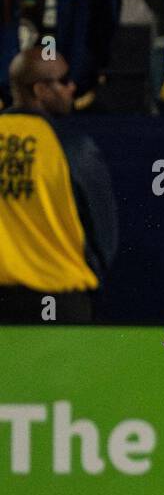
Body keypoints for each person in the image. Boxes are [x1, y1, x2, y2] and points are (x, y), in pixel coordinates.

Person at [0, 48, 114, 323]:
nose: (72, 86)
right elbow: (103, 231)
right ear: (39, 90)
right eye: (63, 80)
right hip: (58, 298)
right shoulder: (71, 147)